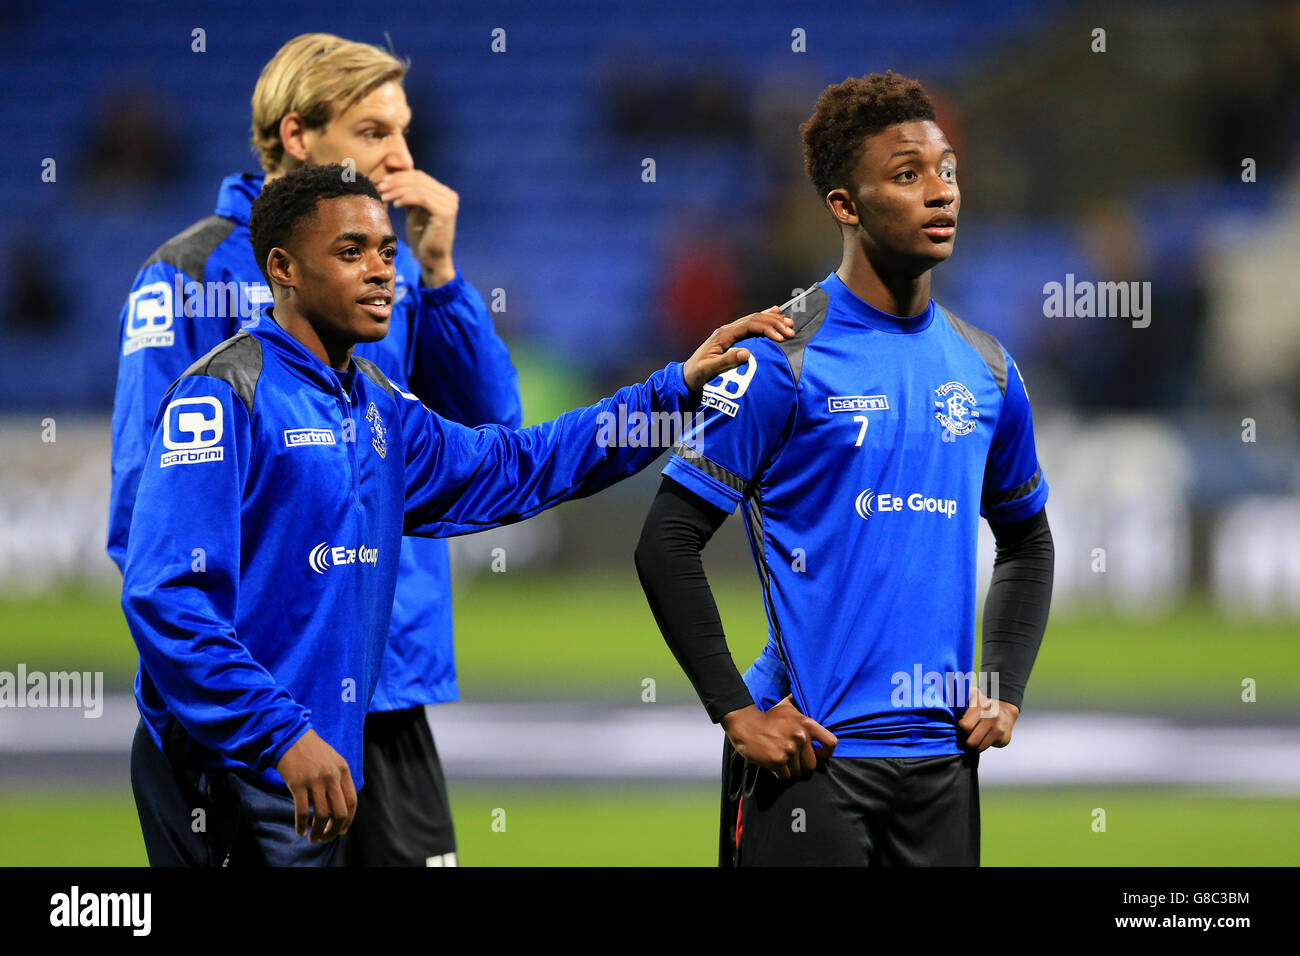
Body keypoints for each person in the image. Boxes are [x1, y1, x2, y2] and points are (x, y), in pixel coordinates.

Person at [122, 163, 795, 866]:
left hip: (316, 761)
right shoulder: (224, 396)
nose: (382, 272)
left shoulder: (377, 405)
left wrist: (672, 391)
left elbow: (520, 464)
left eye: (386, 251)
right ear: (282, 268)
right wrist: (279, 735)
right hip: (229, 770)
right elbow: (167, 599)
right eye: (351, 252)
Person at [109, 34, 522, 866]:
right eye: (374, 133)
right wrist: (248, 706)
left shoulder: (389, 264)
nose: (400, 157)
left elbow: (494, 433)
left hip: (389, 676)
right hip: (271, 700)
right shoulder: (187, 277)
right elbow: (140, 513)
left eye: (404, 133)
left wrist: (439, 273)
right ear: (298, 137)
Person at [635, 72, 1055, 866]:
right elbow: (666, 541)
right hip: (812, 761)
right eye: (907, 175)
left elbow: (1028, 543)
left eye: (948, 170)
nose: (941, 193)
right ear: (844, 205)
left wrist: (1002, 683)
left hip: (942, 765)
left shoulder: (989, 370)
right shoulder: (780, 358)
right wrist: (736, 713)